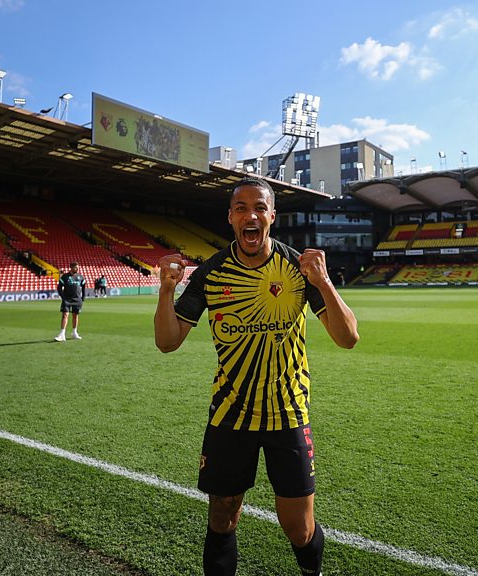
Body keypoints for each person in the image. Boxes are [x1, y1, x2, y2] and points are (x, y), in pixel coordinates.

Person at [154, 176, 359, 576]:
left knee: (299, 527)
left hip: (288, 411)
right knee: (223, 515)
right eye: (242, 208)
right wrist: (165, 292)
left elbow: (347, 337)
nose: (251, 215)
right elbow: (167, 341)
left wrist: (325, 282)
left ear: (272, 216)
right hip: (231, 413)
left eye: (259, 208)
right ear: (230, 218)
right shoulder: (211, 274)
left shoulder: (297, 268)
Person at [55, 262, 85, 341]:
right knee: (65, 315)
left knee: (75, 316)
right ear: (71, 267)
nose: (77, 269)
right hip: (67, 299)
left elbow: (84, 288)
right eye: (75, 267)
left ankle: (74, 333)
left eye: (78, 267)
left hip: (77, 299)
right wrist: (63, 297)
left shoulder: (81, 277)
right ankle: (62, 334)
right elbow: (59, 288)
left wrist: (83, 298)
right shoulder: (65, 277)